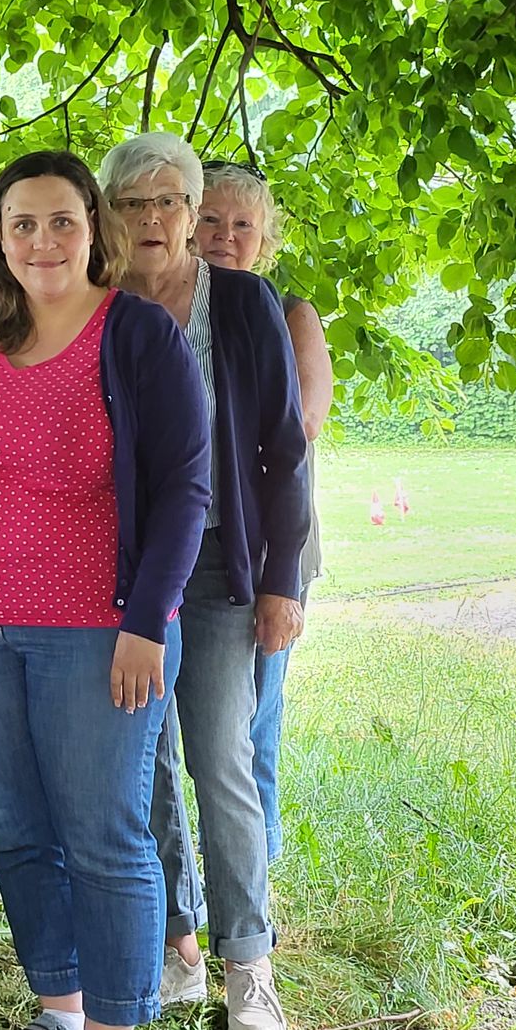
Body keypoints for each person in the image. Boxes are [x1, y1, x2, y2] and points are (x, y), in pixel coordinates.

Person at [0, 150, 210, 1030]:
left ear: (94, 228)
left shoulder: (137, 335)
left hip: (94, 628)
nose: (42, 241)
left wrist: (148, 622)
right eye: (22, 223)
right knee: (17, 825)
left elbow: (184, 492)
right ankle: (60, 1012)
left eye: (61, 221)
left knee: (105, 831)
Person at [100, 133, 310, 1030]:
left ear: (191, 215)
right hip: (120, 571)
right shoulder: (94, 304)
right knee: (140, 763)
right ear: (113, 214)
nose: (153, 220)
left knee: (219, 758)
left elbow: (284, 450)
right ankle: (179, 943)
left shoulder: (245, 303)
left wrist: (284, 579)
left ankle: (249, 968)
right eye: (134, 204)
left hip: (226, 565)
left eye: (168, 203)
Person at [194, 160, 331, 861]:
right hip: (207, 539)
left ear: (265, 238)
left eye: (241, 225)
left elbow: (298, 425)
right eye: (210, 219)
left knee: (252, 724)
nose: (223, 236)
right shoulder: (174, 311)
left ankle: (258, 882)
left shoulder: (287, 312)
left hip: (273, 539)